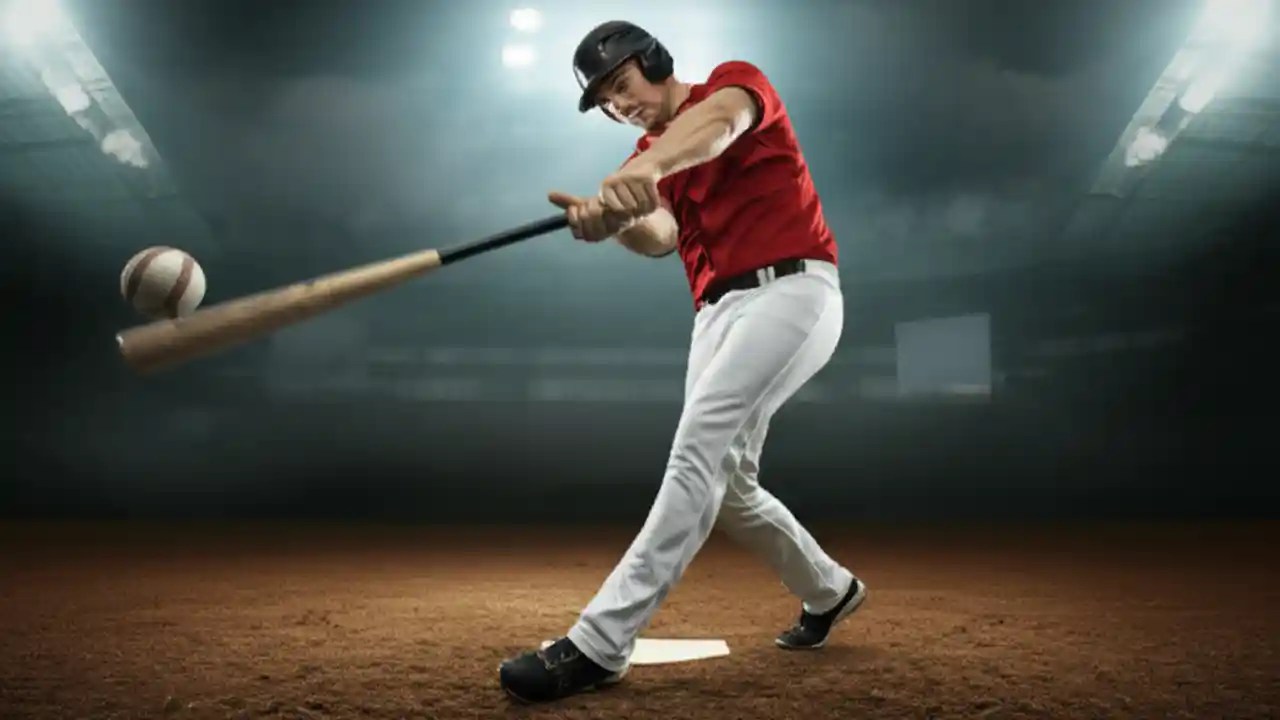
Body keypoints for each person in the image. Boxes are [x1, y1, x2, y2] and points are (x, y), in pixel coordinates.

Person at [498, 20, 866, 703]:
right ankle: (831, 589)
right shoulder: (647, 152)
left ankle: (599, 644)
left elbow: (719, 127)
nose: (619, 103)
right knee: (729, 487)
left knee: (695, 452)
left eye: (622, 82)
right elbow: (660, 234)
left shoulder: (734, 82)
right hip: (718, 315)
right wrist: (611, 221)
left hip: (793, 289)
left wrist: (642, 170)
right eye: (604, 99)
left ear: (655, 60)